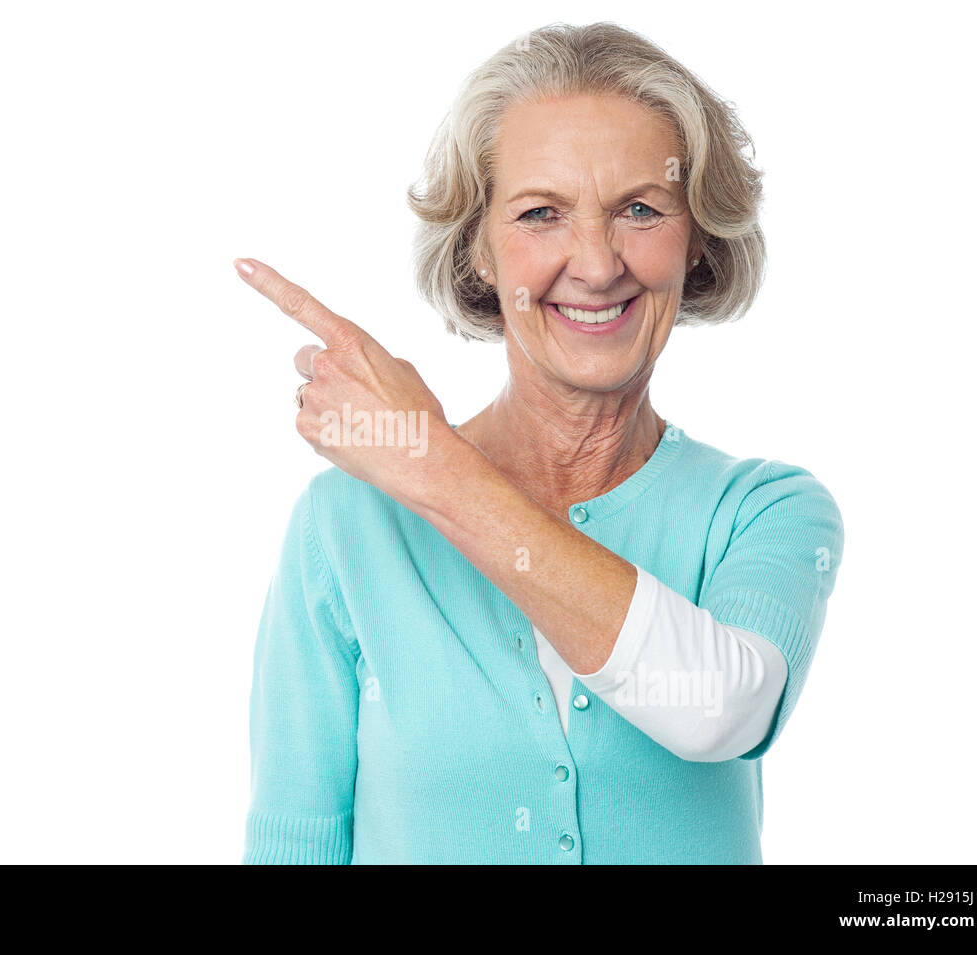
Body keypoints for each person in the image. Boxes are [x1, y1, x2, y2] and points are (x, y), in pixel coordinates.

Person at [234, 21, 844, 864]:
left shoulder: (767, 513)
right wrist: (419, 470)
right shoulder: (346, 525)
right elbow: (293, 838)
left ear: (696, 235)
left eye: (640, 208)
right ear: (478, 250)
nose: (595, 264)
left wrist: (435, 467)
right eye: (539, 213)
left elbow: (720, 707)